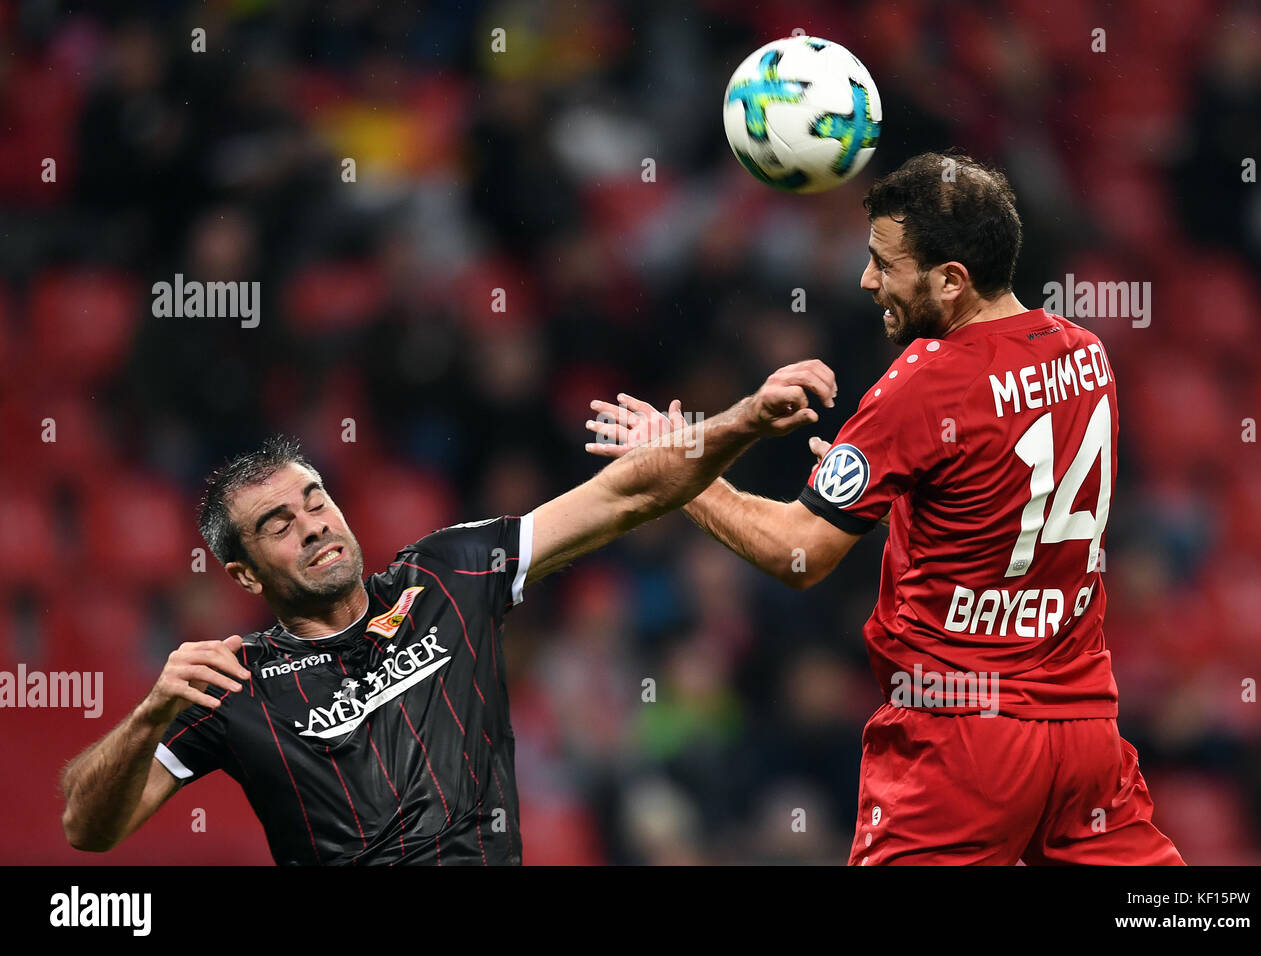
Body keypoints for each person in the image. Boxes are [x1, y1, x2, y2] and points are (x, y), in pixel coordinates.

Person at [587, 151, 1184, 866]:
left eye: (884, 262)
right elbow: (997, 502)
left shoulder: (926, 384)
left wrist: (679, 468)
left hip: (962, 744)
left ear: (951, 280)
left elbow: (796, 554)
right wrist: (893, 486)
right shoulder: (1087, 355)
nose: (868, 280)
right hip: (1084, 731)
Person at [59, 362, 835, 865]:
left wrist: (739, 421)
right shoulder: (235, 684)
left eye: (316, 499)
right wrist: (146, 716)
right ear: (242, 572)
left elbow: (629, 492)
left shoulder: (449, 573)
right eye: (279, 525)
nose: (314, 524)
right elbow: (86, 829)